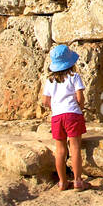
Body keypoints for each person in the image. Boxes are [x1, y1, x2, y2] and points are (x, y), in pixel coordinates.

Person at [42, 44, 89, 192]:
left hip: (57, 116)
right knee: (74, 148)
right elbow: (80, 97)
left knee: (60, 150)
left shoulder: (50, 81)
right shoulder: (74, 77)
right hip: (72, 114)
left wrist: (55, 108)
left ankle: (62, 182)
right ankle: (78, 181)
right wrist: (79, 107)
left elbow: (45, 101)